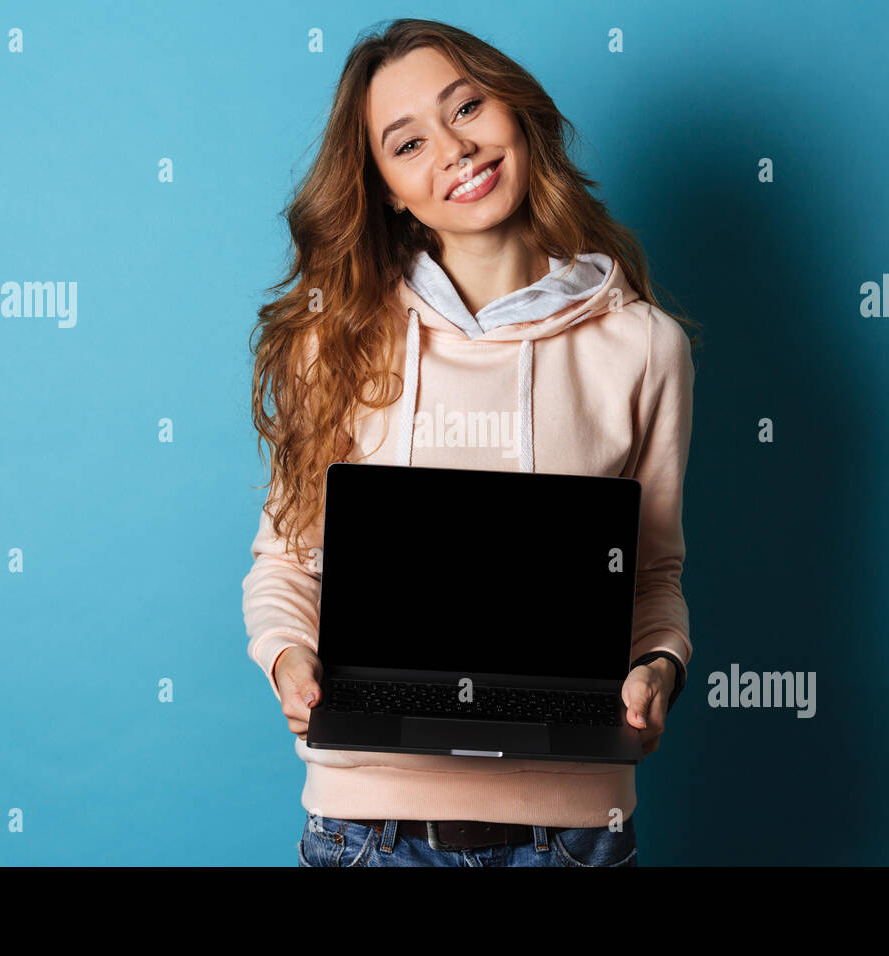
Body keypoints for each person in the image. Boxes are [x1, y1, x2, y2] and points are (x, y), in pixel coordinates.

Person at [243, 17, 701, 867]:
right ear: (385, 187)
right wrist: (287, 660)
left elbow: (653, 575)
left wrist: (657, 671)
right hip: (368, 828)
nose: (454, 149)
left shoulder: (645, 347)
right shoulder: (331, 341)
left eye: (468, 107)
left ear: (516, 113)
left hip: (571, 831)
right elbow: (284, 562)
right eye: (408, 142)